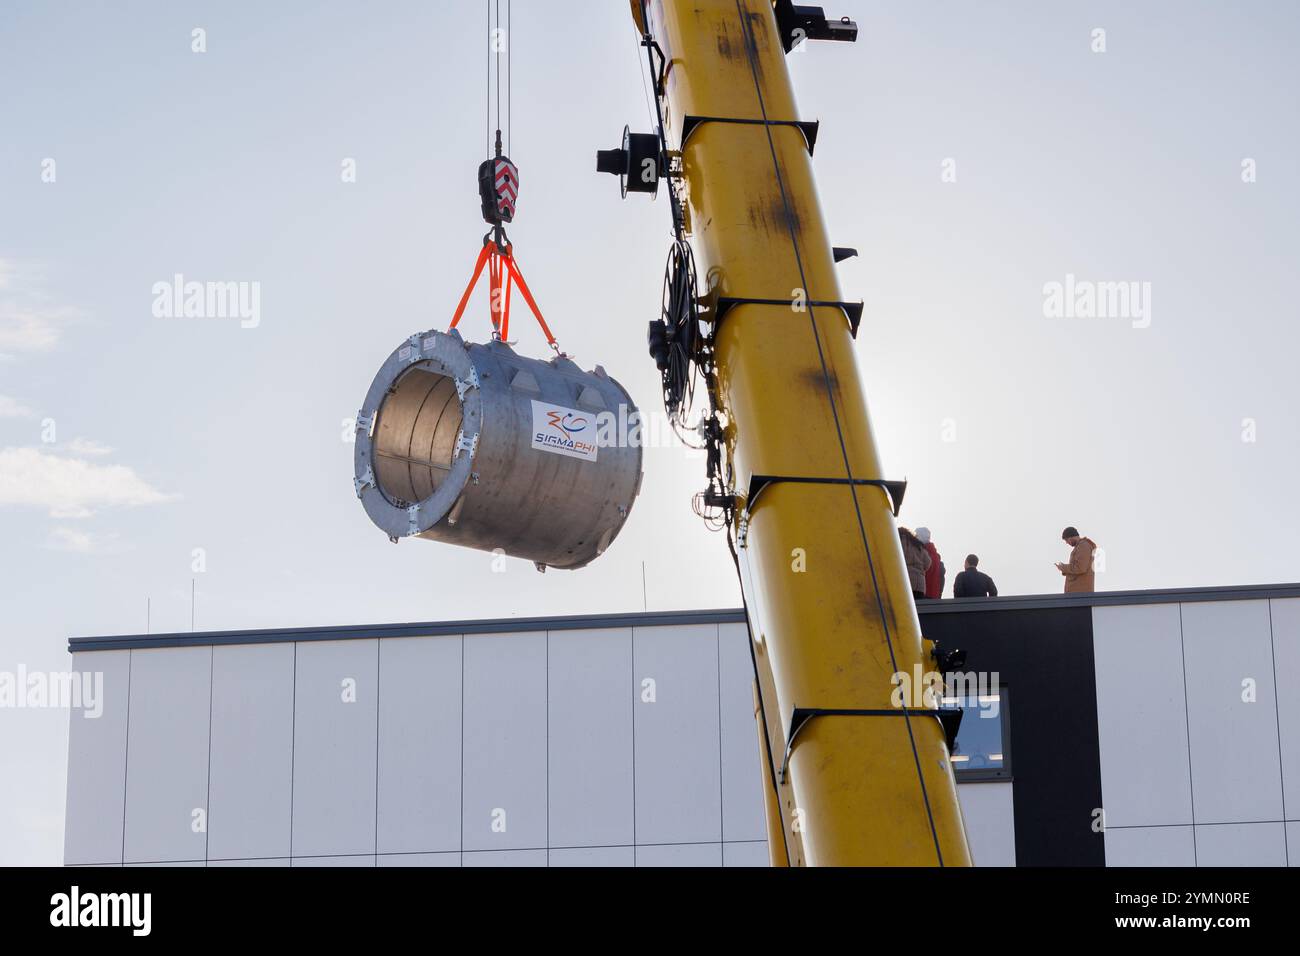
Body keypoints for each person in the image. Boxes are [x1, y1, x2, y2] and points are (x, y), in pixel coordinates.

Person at [1056, 526, 1098, 593]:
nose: (1067, 543)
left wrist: (1063, 567)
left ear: (1071, 537)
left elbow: (1080, 567)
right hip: (1077, 594)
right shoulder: (1080, 546)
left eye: (1066, 540)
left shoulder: (1083, 545)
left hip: (1080, 594)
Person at [898, 527, 931, 601]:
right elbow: (928, 563)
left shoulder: (901, 541)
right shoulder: (918, 545)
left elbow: (898, 556)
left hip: (907, 581)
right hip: (920, 586)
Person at [916, 527, 944, 599]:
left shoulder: (920, 554)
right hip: (934, 596)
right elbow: (941, 579)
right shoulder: (936, 557)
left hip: (921, 595)